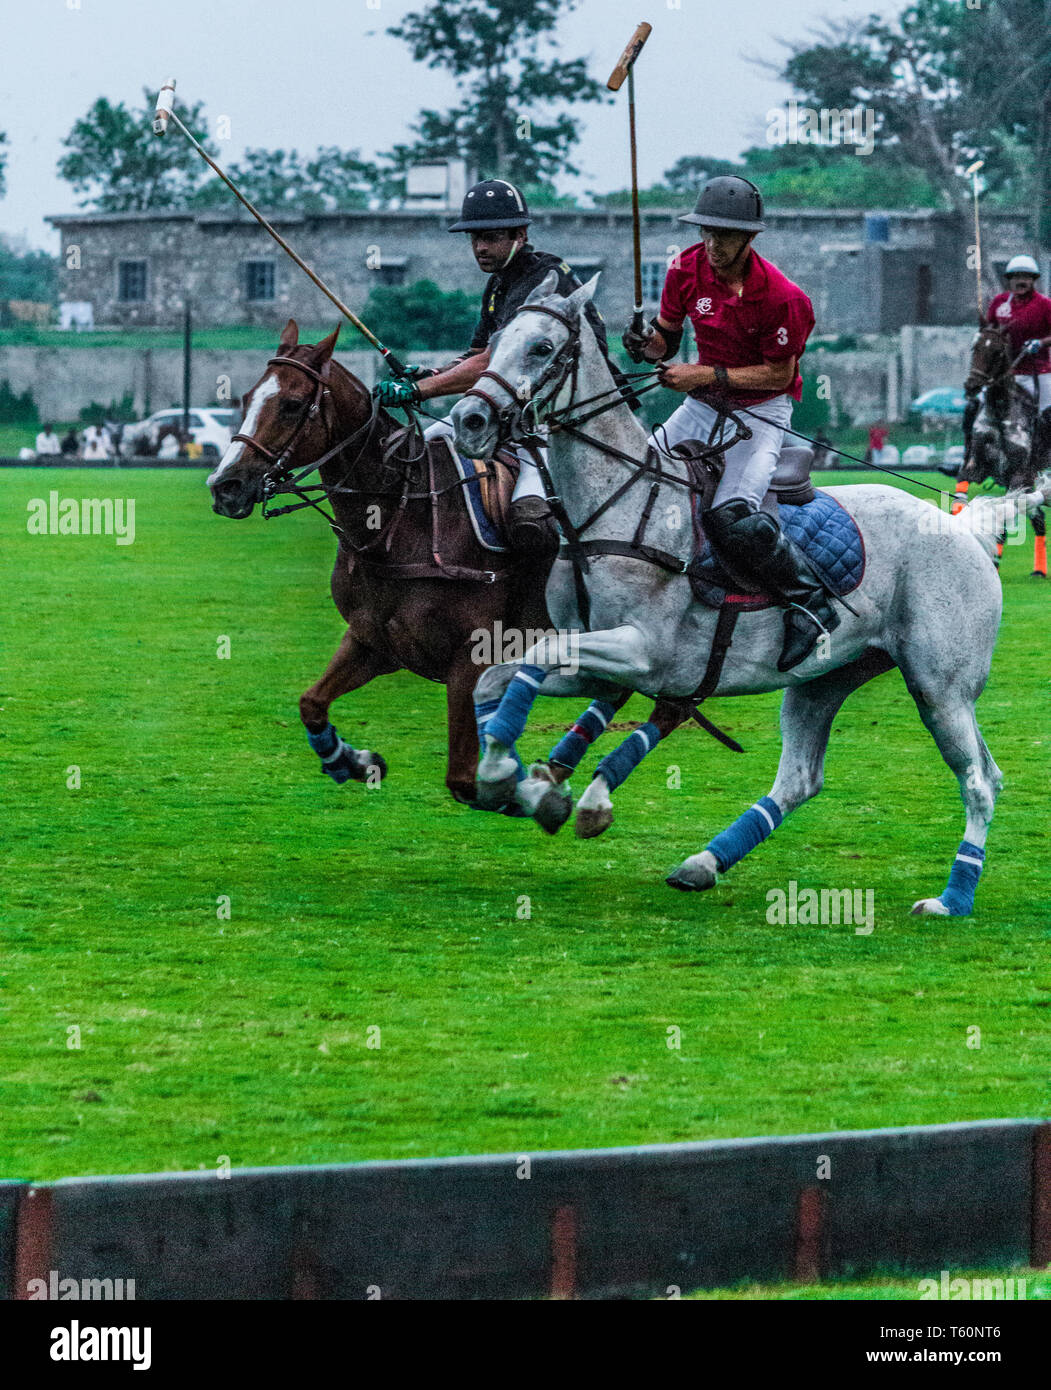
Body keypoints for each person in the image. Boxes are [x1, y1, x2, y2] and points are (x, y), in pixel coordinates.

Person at [622, 175, 827, 672]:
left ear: (749, 238)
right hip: (703, 404)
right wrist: (642, 344)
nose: (712, 243)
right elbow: (665, 341)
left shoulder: (785, 298)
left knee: (733, 514)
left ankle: (810, 602)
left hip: (762, 410)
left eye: (725, 235)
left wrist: (704, 373)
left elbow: (779, 373)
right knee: (639, 478)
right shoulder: (686, 269)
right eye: (706, 232)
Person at [372, 178, 629, 556]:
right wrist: (433, 373)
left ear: (520, 235)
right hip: (516, 414)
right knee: (414, 453)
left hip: (563, 424)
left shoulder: (545, 279)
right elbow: (477, 353)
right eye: (474, 238)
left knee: (528, 521)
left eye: (490, 237)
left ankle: (527, 601)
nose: (479, 247)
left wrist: (420, 390)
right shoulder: (499, 285)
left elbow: (494, 363)